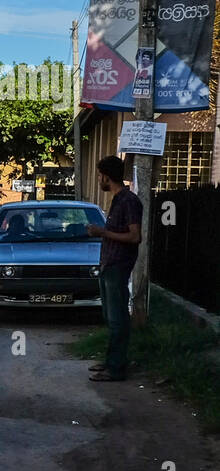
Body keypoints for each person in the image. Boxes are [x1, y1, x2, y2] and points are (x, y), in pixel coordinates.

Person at [85, 155, 143, 382]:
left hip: (119, 264)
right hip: (109, 264)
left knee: (118, 317)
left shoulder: (128, 201)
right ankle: (111, 361)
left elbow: (134, 236)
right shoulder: (117, 199)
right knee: (110, 316)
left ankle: (116, 367)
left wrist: (103, 233)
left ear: (107, 177)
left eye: (100, 176)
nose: (99, 179)